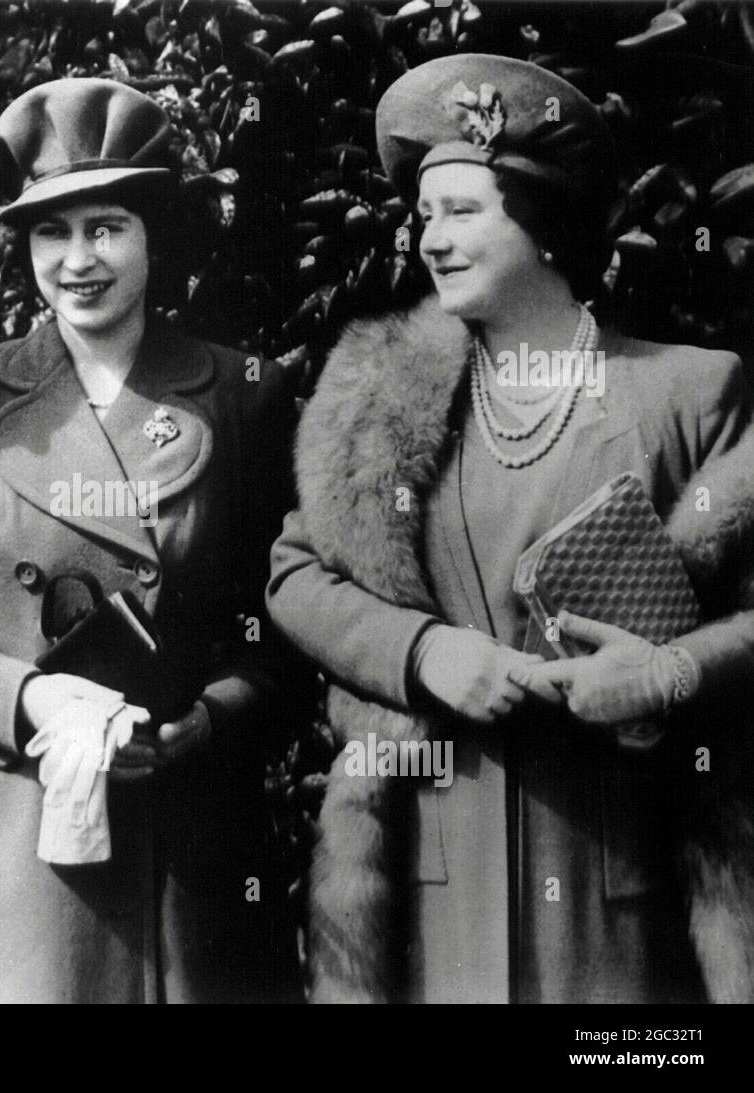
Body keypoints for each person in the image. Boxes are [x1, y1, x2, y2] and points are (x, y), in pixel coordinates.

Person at [266, 54, 754, 1003]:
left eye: (462, 210)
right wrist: (423, 652)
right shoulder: (385, 400)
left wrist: (666, 672)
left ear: (538, 220)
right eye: (423, 214)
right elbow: (294, 574)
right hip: (431, 890)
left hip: (629, 897)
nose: (429, 238)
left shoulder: (688, 391)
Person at [0, 77, 302, 1003]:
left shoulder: (245, 393)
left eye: (107, 226)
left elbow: (282, 628)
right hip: (37, 841)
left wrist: (214, 715)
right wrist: (28, 698)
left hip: (200, 843)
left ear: (156, 236)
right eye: (52, 231)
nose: (79, 259)